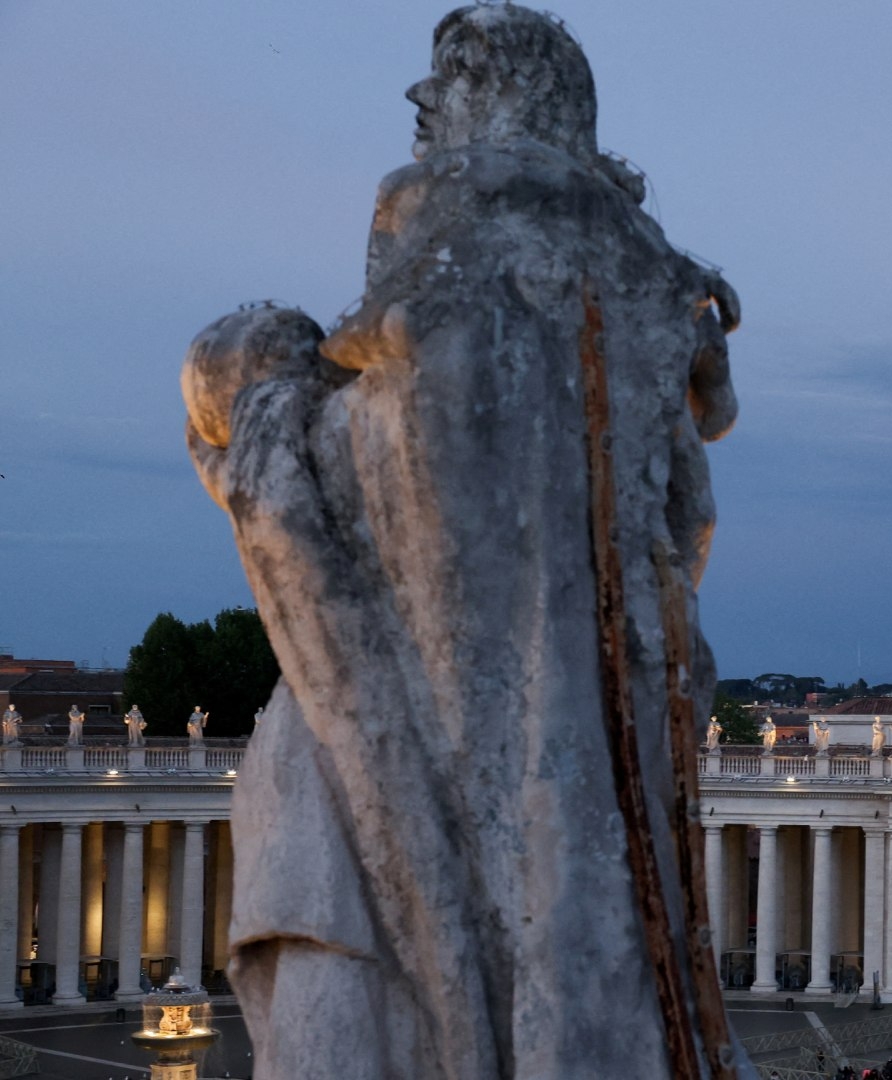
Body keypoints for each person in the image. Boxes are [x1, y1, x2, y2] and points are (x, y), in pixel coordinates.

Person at [190, 6, 742, 1078]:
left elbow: (343, 490)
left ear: (505, 95)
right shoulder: (645, 296)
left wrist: (256, 404)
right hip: (601, 736)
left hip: (413, 737)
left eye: (452, 71)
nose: (420, 100)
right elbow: (686, 525)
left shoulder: (447, 261)